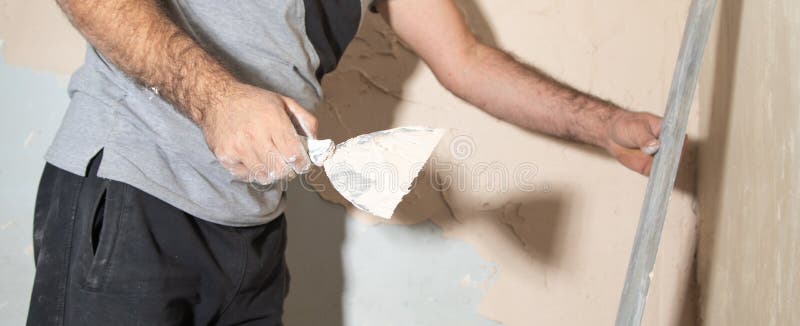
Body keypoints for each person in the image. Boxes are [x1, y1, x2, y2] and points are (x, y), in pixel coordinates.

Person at [28, 0, 663, 325]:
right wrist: (216, 99)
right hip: (135, 197)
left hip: (252, 237)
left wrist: (602, 123)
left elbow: (464, 60)